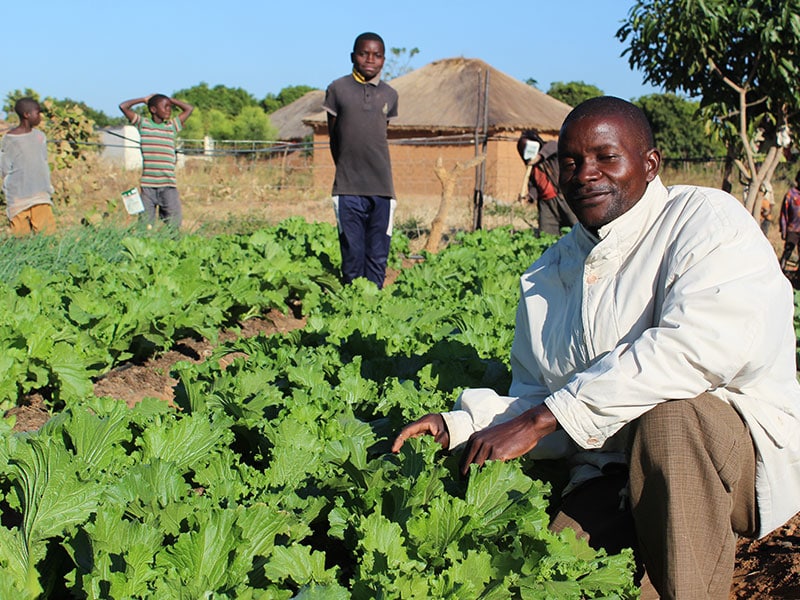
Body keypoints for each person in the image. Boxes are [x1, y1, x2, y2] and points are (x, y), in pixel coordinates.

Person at [392, 97, 800, 599]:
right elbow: (538, 397)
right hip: (610, 469)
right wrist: (460, 425)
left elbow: (696, 349)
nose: (586, 174)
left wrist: (545, 418)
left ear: (650, 164)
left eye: (606, 157)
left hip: (727, 458)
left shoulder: (705, 221)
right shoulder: (548, 275)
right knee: (550, 572)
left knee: (672, 418)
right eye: (571, 161)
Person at [324, 32, 398, 288]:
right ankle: (352, 303)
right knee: (352, 253)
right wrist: (346, 169)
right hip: (348, 189)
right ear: (352, 56)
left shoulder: (390, 94)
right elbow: (334, 137)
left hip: (382, 189)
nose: (370, 59)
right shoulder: (338, 89)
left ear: (384, 59)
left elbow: (380, 135)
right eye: (364, 53)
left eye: (377, 55)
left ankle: (373, 303)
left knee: (378, 255)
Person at [118, 94, 194, 227]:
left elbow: (189, 109)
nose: (169, 110)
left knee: (173, 224)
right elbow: (123, 106)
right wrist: (143, 100)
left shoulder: (171, 126)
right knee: (145, 225)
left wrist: (170, 100)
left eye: (170, 107)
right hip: (148, 187)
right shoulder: (143, 124)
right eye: (165, 107)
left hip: (168, 185)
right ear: (153, 109)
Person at [0, 97, 56, 235]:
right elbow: (4, 169)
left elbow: (43, 162)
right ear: (27, 115)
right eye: (37, 113)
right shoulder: (9, 140)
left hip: (40, 195)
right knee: (21, 238)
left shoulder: (40, 136)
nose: (40, 116)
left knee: (47, 236)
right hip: (18, 198)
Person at [516, 129, 577, 236]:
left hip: (563, 198)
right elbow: (534, 186)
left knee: (577, 226)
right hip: (546, 204)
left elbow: (554, 145)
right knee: (547, 234)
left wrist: (539, 157)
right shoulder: (532, 168)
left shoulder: (549, 152)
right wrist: (529, 197)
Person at [779, 171, 800, 271]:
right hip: (793, 229)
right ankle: (780, 271)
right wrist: (784, 230)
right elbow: (784, 214)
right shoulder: (790, 194)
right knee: (788, 251)